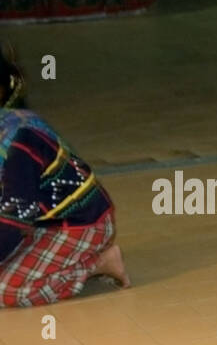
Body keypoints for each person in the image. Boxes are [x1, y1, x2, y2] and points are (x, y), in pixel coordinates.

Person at [0, 46, 128, 308]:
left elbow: (15, 217)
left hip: (78, 225)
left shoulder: (21, 137)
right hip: (37, 222)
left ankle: (97, 264)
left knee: (6, 290)